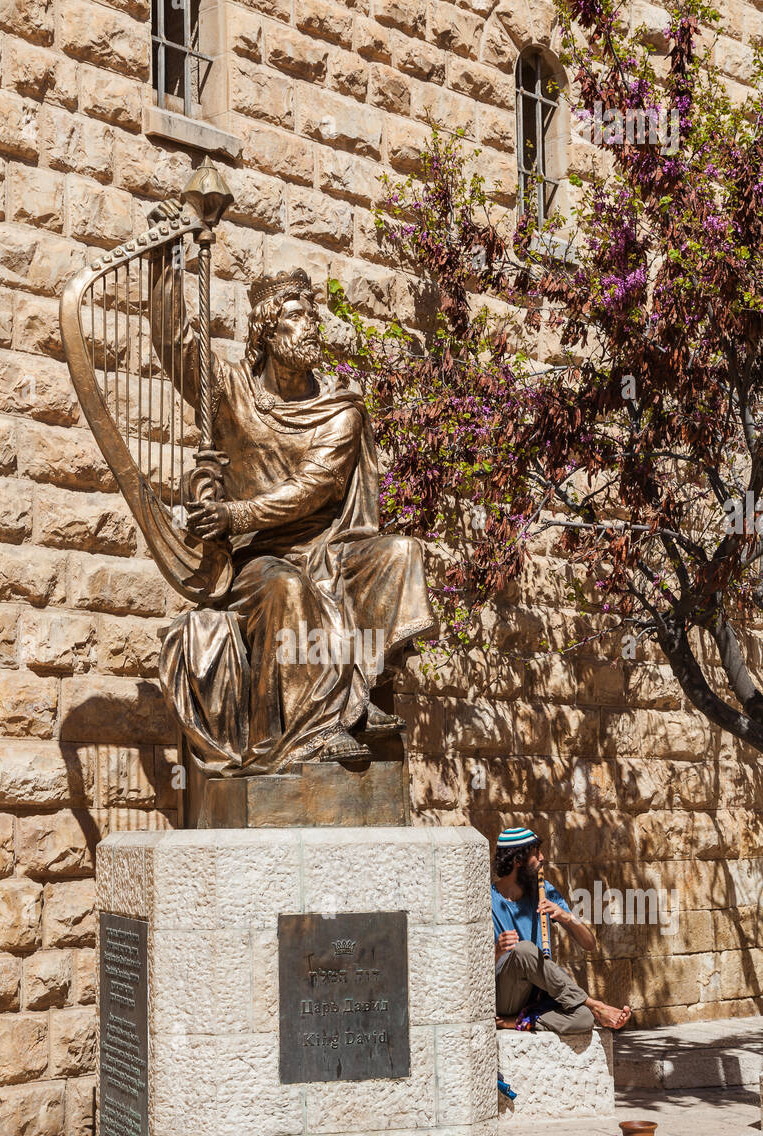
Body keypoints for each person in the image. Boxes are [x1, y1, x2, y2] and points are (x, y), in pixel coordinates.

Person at [147, 242, 436, 775]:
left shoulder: (338, 413)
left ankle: (362, 697)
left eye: (312, 315)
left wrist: (236, 513)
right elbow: (179, 348)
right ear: (266, 330)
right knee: (284, 586)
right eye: (296, 316)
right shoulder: (230, 390)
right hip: (259, 561)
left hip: (329, 552)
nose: (311, 327)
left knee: (400, 553)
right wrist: (164, 269)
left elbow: (314, 487)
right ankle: (321, 730)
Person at [492, 826, 632, 1034]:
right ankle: (595, 1004)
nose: (543, 858)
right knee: (524, 950)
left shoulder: (545, 890)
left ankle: (512, 1022)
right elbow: (469, 970)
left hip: (539, 992)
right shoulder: (487, 900)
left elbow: (590, 944)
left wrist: (566, 917)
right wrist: (497, 951)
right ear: (517, 860)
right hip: (507, 993)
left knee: (583, 1019)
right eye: (536, 853)